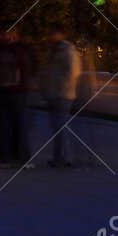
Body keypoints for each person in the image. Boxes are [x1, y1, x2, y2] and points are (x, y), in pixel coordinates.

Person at [0, 31, 29, 165]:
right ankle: (11, 154)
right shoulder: (12, 50)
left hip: (9, 90)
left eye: (2, 34)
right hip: (6, 90)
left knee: (8, 124)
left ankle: (9, 154)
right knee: (9, 124)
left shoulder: (13, 51)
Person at [42, 29, 82, 168]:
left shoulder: (67, 51)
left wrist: (63, 88)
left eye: (53, 33)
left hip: (63, 95)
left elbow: (73, 72)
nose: (50, 36)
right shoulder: (53, 51)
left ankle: (64, 157)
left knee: (60, 126)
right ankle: (60, 157)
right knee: (58, 126)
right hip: (54, 94)